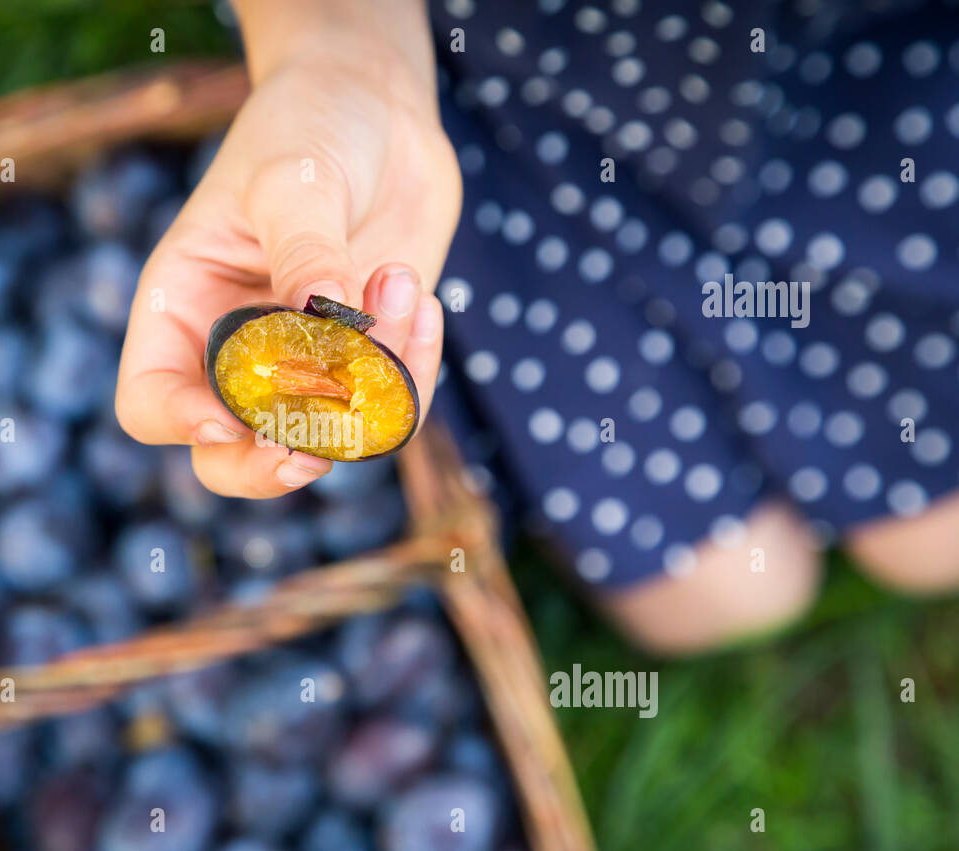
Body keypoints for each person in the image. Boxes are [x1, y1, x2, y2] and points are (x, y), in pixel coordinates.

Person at [116, 0, 959, 654]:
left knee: (935, 537)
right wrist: (345, 62)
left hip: (859, 75)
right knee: (724, 596)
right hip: (518, 82)